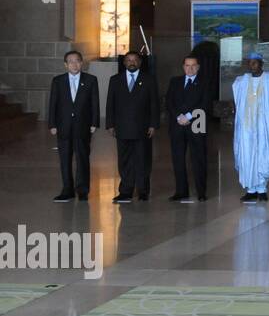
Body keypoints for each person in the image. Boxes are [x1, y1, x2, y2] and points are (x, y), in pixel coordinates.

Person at [104, 50, 159, 204]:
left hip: (143, 128)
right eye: (128, 60)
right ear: (124, 63)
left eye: (135, 60)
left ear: (140, 62)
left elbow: (154, 103)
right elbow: (110, 104)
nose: (131, 62)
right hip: (122, 128)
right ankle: (126, 191)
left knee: (143, 160)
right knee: (124, 160)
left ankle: (143, 191)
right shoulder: (115, 80)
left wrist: (153, 124)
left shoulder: (149, 79)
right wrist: (110, 124)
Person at [231, 52, 269, 203]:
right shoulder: (241, 81)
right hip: (246, 127)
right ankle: (250, 189)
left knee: (263, 154)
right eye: (249, 63)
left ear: (261, 64)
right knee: (247, 154)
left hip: (263, 125)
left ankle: (262, 189)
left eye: (255, 63)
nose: (252, 66)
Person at [47, 50, 98, 202]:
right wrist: (52, 124)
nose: (74, 64)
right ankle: (67, 190)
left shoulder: (90, 80)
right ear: (65, 65)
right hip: (63, 126)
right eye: (71, 62)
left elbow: (94, 103)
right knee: (65, 159)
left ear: (81, 63)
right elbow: (53, 104)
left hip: (83, 126)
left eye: (77, 61)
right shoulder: (58, 81)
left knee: (82, 158)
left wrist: (94, 122)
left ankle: (82, 190)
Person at [165, 54, 213, 202]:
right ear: (183, 67)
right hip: (177, 125)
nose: (190, 68)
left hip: (197, 124)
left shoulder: (205, 83)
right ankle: (181, 191)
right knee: (178, 159)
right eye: (187, 65)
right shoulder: (175, 81)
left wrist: (189, 116)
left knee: (198, 159)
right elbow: (169, 102)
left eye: (193, 65)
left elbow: (205, 104)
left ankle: (201, 192)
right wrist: (179, 117)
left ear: (198, 67)